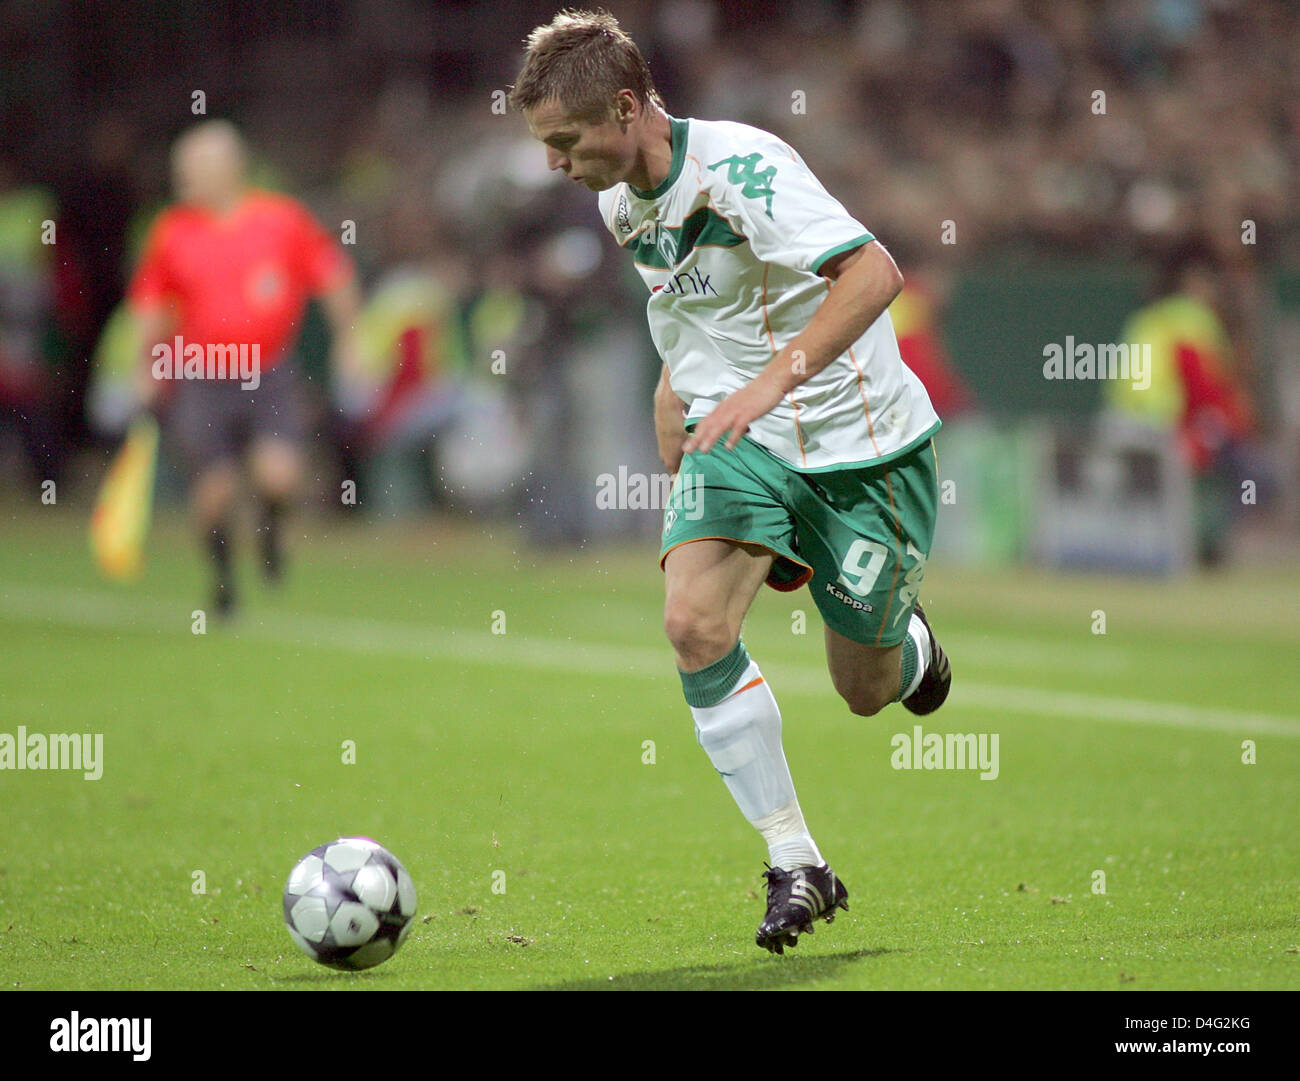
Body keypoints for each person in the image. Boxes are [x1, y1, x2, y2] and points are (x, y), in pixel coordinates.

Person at [511, 11, 951, 954]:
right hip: (741, 438)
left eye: (565, 140)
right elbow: (687, 300)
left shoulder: (742, 169)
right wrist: (674, 382)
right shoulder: (618, 200)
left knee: (865, 688)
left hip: (863, 444)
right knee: (692, 622)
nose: (554, 162)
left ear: (625, 107)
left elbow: (874, 274)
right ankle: (796, 858)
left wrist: (769, 382)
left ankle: (910, 647)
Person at [128, 120, 361, 616]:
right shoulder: (172, 230)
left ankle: (270, 533)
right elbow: (151, 305)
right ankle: (223, 578)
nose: (183, 178)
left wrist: (348, 341)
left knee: (280, 477)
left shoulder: (281, 220)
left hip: (269, 373)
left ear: (231, 168)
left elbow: (334, 275)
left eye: (194, 167)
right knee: (214, 494)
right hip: (201, 378)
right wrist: (145, 365)